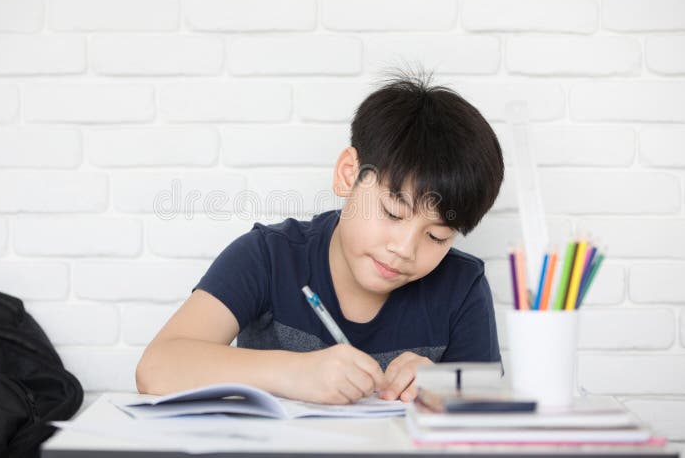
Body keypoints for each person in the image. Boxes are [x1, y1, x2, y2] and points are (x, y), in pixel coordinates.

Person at [136, 69, 504, 405]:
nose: (404, 249)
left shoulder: (462, 286)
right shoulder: (268, 257)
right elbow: (157, 368)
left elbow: (489, 409)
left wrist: (443, 389)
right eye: (393, 213)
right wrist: (294, 372)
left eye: (437, 236)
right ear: (348, 174)